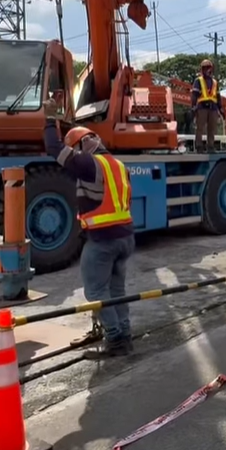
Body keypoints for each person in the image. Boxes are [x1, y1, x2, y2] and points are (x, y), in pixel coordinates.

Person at [43, 100, 137, 357]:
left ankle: (115, 339)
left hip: (103, 240)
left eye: (75, 148)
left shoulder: (88, 164)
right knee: (117, 290)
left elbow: (53, 147)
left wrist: (50, 119)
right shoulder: (119, 166)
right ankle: (125, 336)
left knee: (95, 291)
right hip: (126, 238)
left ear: (82, 145)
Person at [192, 59, 223, 153]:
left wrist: (220, 108)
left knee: (212, 128)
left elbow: (218, 96)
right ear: (202, 69)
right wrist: (193, 106)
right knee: (200, 128)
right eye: (205, 68)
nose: (207, 70)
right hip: (202, 107)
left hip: (213, 108)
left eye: (208, 68)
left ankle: (210, 147)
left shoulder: (214, 82)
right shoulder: (198, 80)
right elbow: (194, 94)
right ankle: (199, 146)